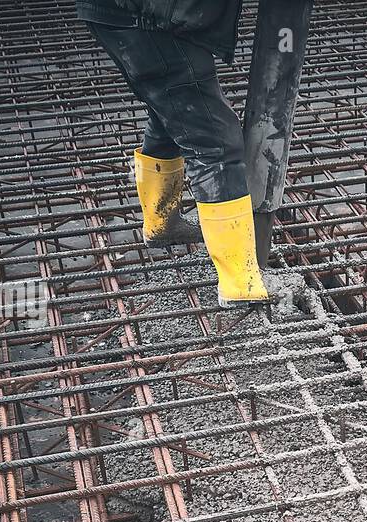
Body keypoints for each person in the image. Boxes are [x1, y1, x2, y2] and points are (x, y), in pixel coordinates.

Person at [75, 0, 267, 303]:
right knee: (214, 139)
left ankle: (160, 222)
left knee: (170, 110)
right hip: (150, 18)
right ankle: (241, 283)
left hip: (122, 13)